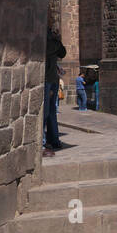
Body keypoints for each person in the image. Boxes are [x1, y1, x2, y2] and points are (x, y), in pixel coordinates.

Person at [44, 24, 67, 155]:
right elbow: (54, 50)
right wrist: (56, 41)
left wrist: (57, 41)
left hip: (52, 79)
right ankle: (44, 142)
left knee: (51, 110)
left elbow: (63, 53)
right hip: (47, 78)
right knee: (47, 111)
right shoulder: (48, 41)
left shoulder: (53, 41)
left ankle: (54, 140)